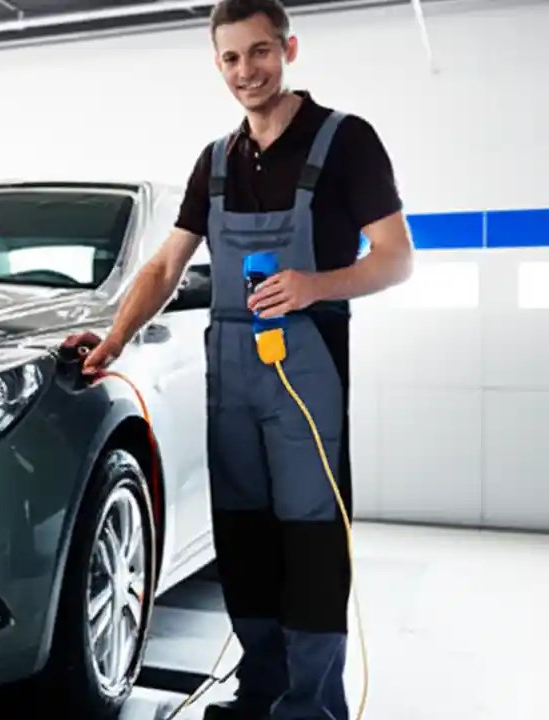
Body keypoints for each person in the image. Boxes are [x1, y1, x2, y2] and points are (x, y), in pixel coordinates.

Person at [77, 1, 414, 718]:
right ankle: (259, 691)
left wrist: (314, 285)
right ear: (217, 63)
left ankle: (311, 705)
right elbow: (165, 265)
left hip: (306, 370)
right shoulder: (215, 160)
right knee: (244, 537)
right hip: (230, 372)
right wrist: (113, 340)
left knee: (310, 537)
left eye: (259, 52)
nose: (246, 71)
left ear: (288, 49)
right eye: (230, 58)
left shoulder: (345, 140)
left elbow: (396, 259)